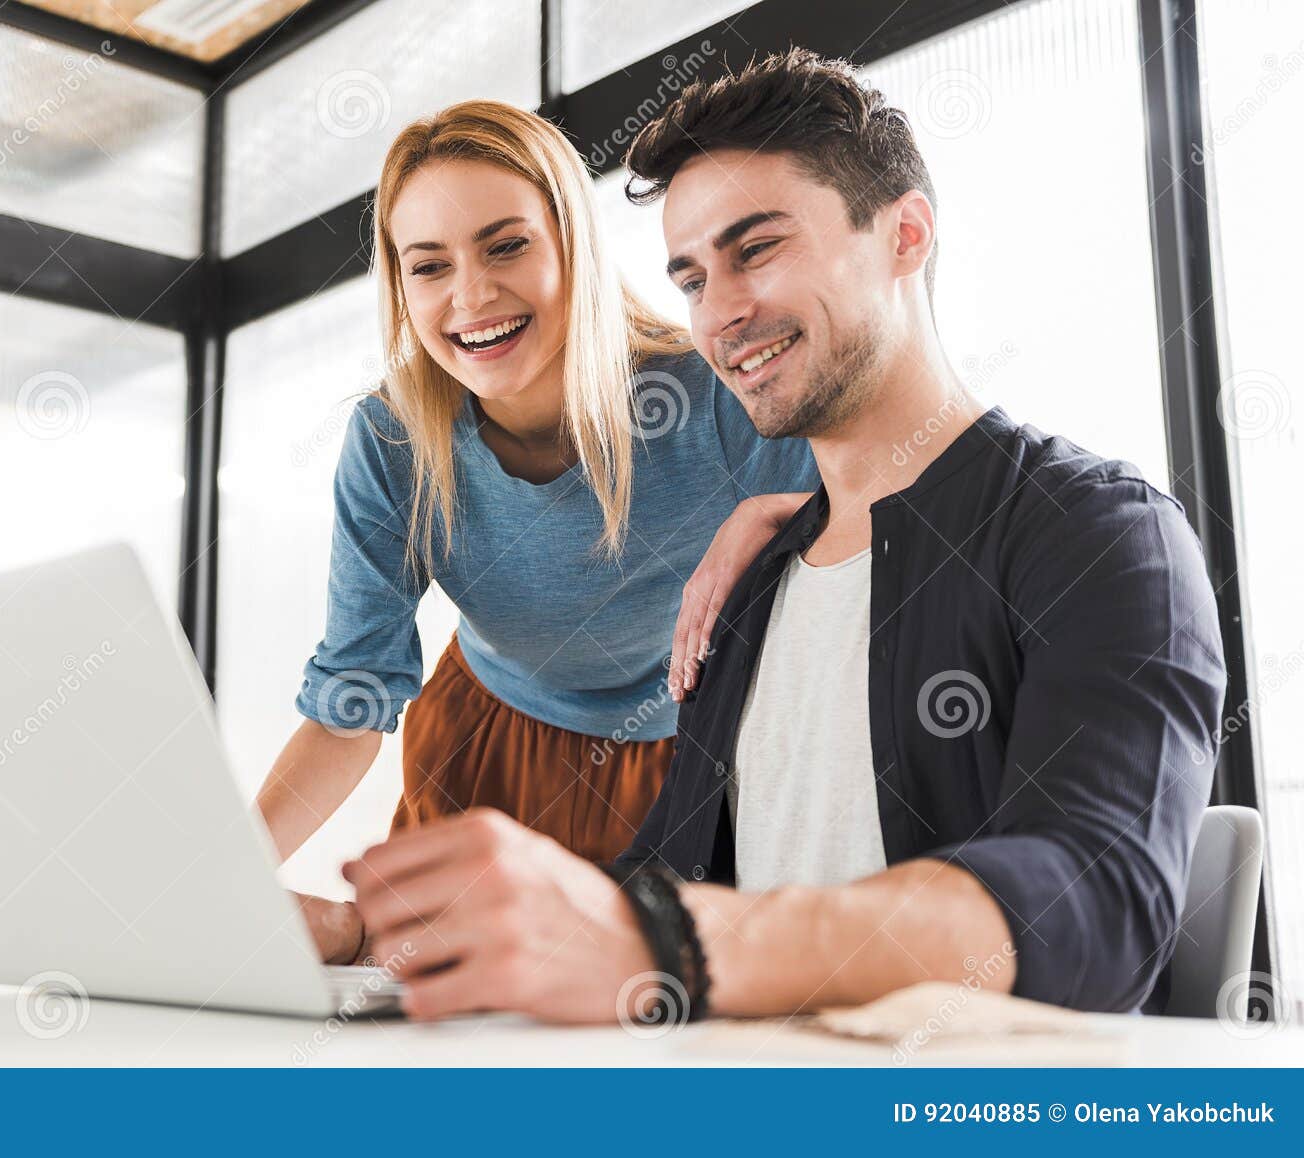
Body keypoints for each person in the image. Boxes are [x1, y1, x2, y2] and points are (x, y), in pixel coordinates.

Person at [344, 50, 1226, 1020]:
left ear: (905, 235)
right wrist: (370, 934)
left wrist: (669, 944)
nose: (719, 312)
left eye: (756, 249)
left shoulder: (1100, 535)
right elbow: (659, 876)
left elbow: (1092, 905)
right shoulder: (747, 581)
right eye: (690, 276)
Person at [259, 100, 820, 964]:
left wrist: (782, 513)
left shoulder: (712, 397)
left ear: (572, 243)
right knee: (438, 1023)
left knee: (656, 1025)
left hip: (684, 762)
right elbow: (351, 703)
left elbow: (861, 558)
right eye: (429, 266)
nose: (471, 295)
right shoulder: (393, 441)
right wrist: (229, 878)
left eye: (506, 245)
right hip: (484, 744)